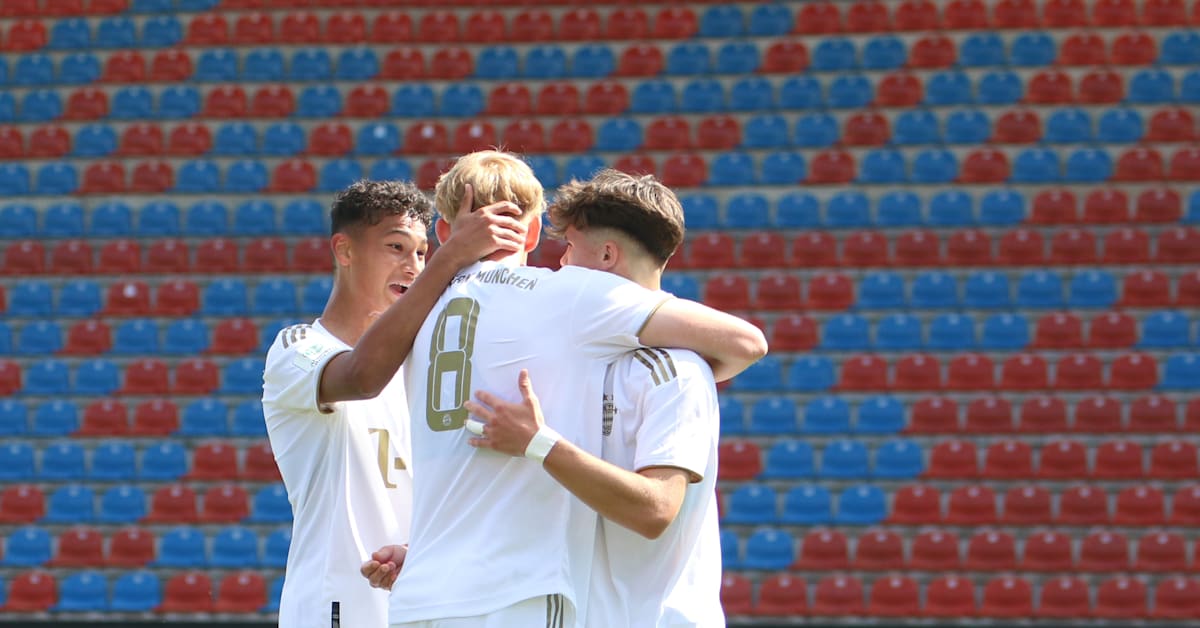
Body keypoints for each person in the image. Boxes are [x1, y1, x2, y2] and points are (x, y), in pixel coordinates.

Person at [361, 151, 766, 628]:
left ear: (442, 233)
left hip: (421, 595)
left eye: (571, 245)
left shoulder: (411, 318)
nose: (565, 258)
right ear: (532, 233)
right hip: (517, 592)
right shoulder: (563, 296)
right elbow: (747, 342)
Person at [261, 179, 527, 628]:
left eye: (423, 253)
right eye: (396, 247)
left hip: (425, 602)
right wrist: (449, 259)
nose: (413, 266)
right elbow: (362, 377)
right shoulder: (297, 348)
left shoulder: (428, 362)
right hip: (337, 605)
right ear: (344, 251)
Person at [465, 170, 725, 627]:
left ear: (606, 255)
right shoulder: (579, 356)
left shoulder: (676, 370)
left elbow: (655, 509)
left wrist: (540, 443)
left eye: (569, 247)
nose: (560, 264)